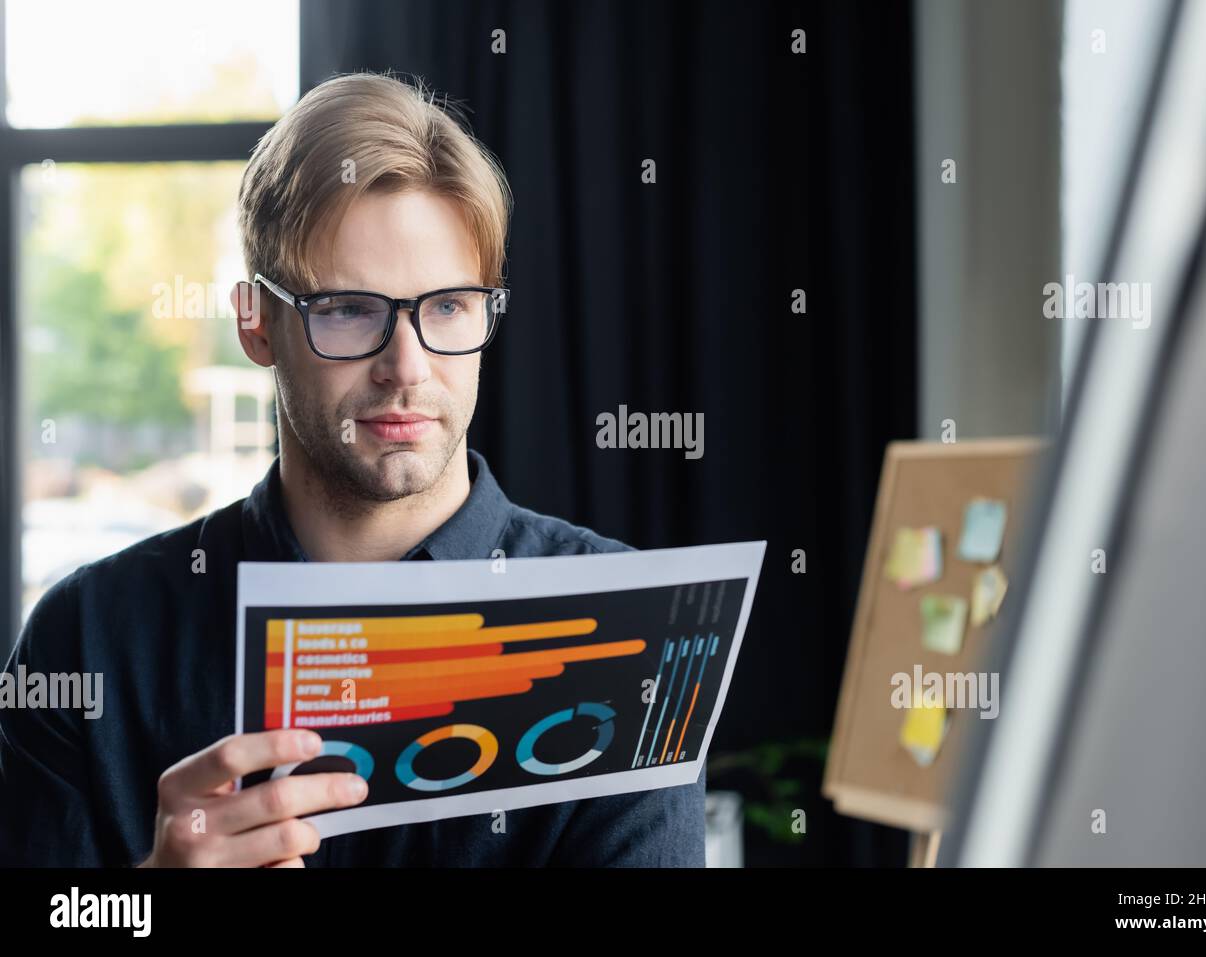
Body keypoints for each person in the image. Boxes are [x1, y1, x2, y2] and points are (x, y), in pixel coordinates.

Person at [0, 72, 704, 867]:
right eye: (347, 308)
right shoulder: (86, 636)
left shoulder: (627, 635)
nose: (406, 367)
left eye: (446, 307)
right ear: (256, 322)